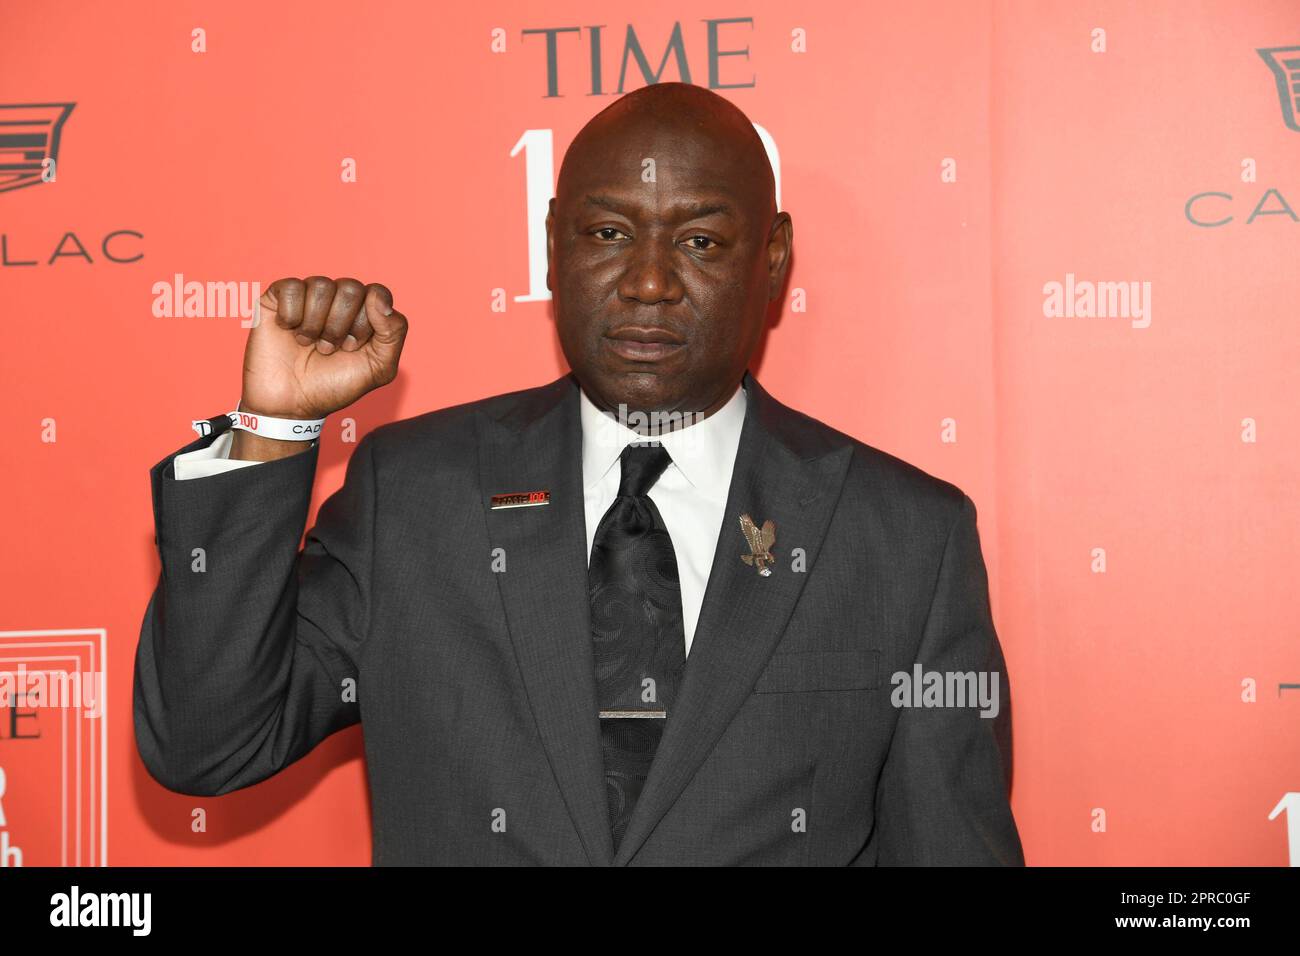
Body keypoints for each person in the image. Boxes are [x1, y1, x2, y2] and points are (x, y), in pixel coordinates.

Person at [134, 81, 1024, 866]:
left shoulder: (903, 536)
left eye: (703, 242)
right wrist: (274, 426)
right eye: (607, 232)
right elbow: (209, 743)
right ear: (552, 243)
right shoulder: (413, 494)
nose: (648, 282)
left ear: (775, 257)